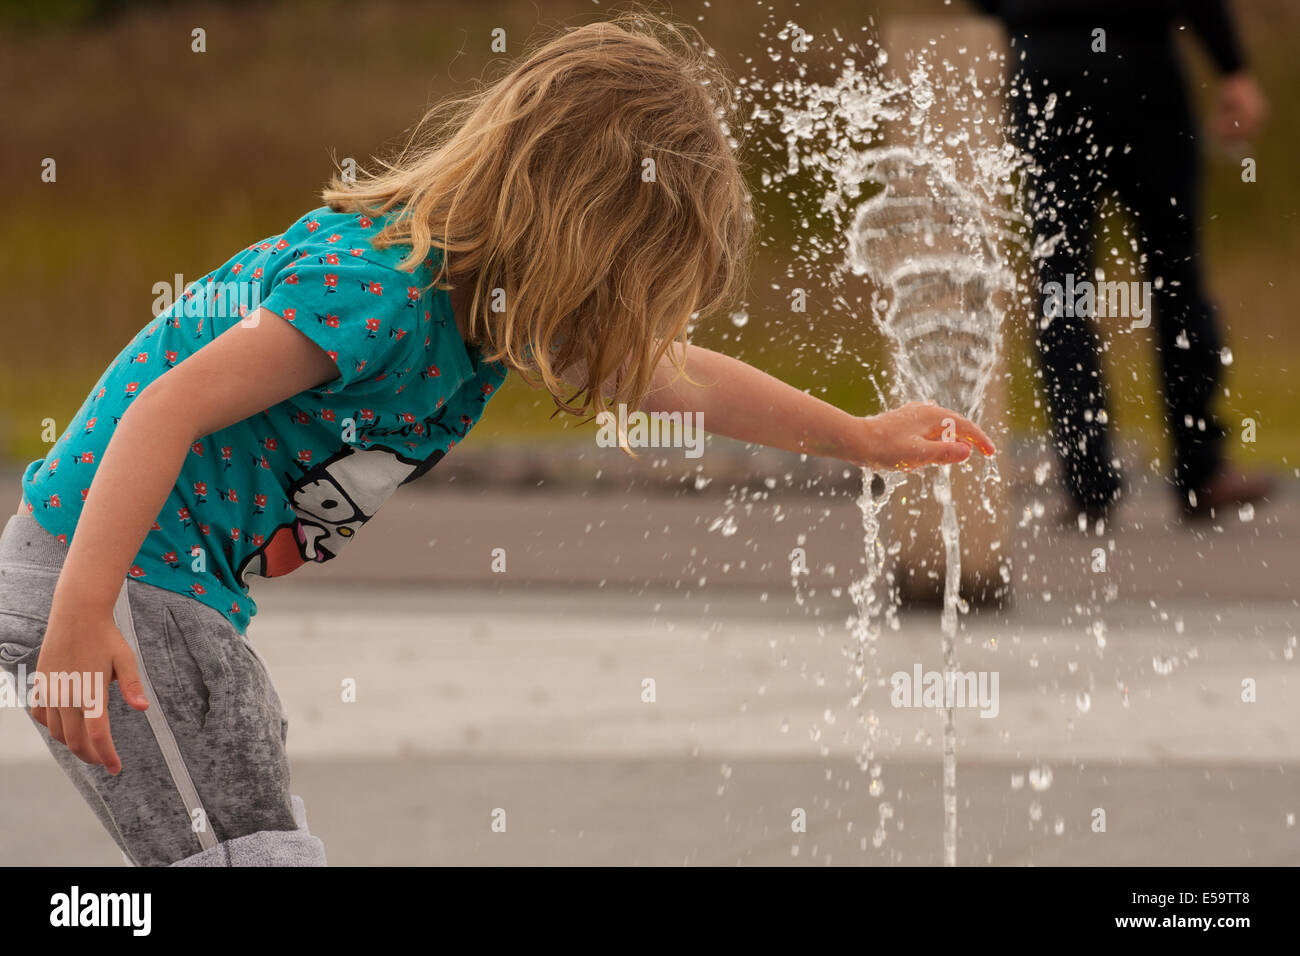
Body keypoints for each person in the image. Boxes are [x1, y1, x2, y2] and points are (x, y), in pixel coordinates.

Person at [0, 15, 994, 866]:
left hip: (158, 589)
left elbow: (676, 375)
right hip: (116, 579)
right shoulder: (379, 291)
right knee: (241, 851)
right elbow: (161, 409)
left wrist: (857, 437)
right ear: (572, 246)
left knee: (249, 821)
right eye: (621, 299)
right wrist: (82, 621)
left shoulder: (485, 311)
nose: (620, 342)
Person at [972, 0, 1274, 525]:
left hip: (1047, 70)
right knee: (1175, 274)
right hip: (1139, 64)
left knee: (1062, 283)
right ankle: (1200, 469)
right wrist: (1232, 66)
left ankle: (1088, 482)